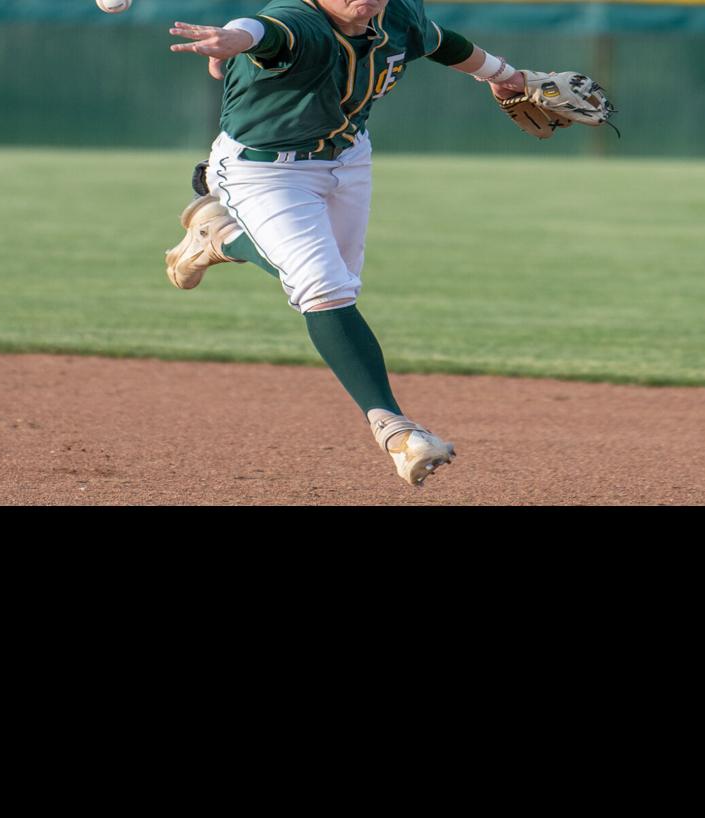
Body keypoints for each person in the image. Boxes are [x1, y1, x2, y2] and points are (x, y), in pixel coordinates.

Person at [161, 0, 534, 487]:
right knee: (323, 290)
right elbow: (262, 31)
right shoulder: (301, 21)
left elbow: (439, 42)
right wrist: (235, 37)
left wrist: (504, 75)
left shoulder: (395, 13)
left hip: (349, 157)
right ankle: (396, 431)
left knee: (336, 284)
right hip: (264, 171)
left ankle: (221, 237)